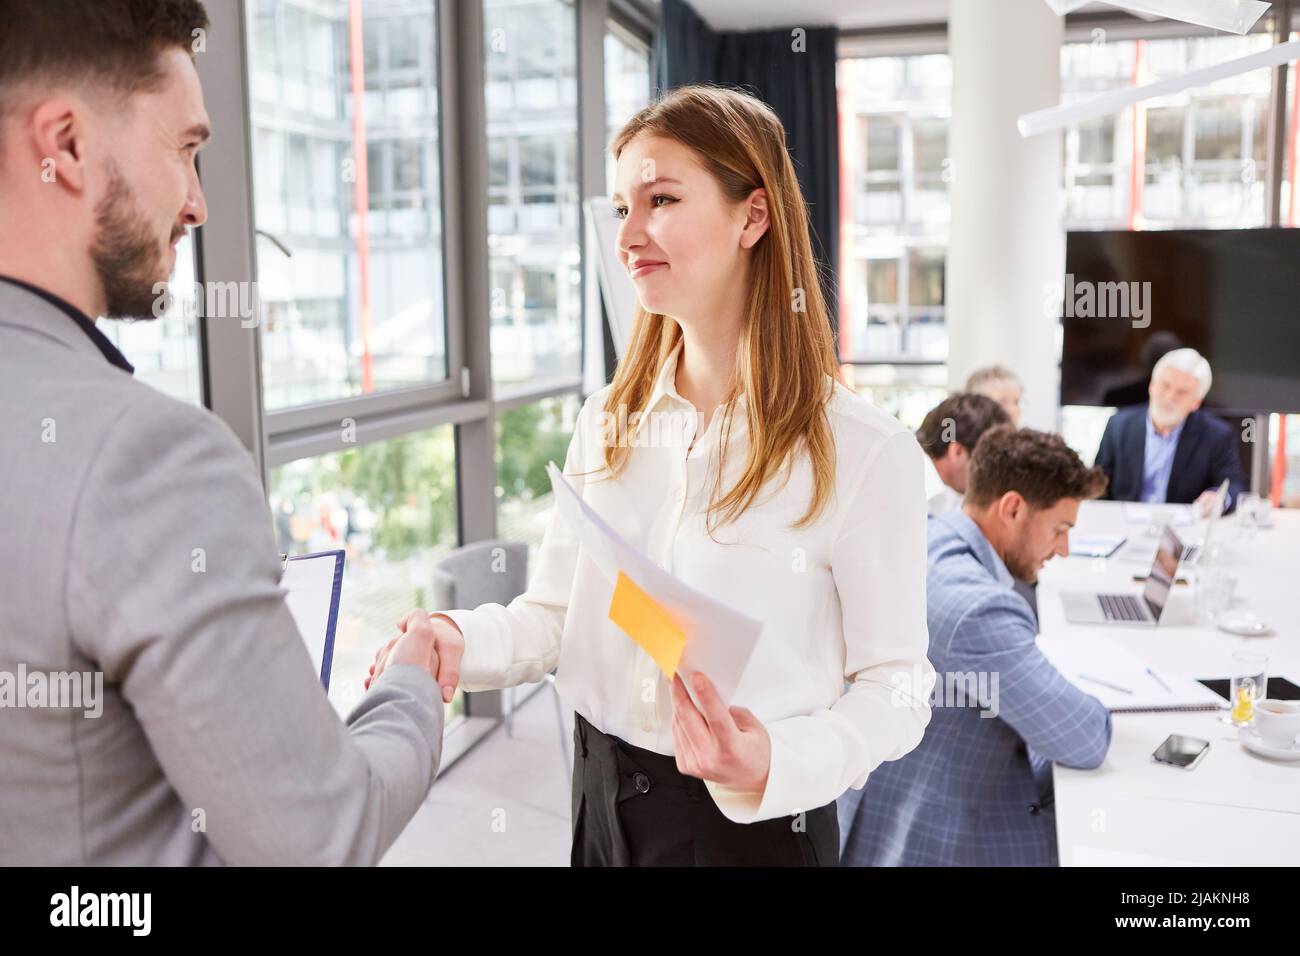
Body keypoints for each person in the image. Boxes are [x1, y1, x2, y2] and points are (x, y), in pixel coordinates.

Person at [372, 85, 935, 866]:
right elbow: (557, 614)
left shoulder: (864, 453)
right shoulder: (608, 418)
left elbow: (899, 685)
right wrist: (456, 637)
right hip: (598, 798)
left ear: (754, 216)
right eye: (620, 210)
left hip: (752, 830)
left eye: (660, 199)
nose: (629, 235)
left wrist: (779, 759)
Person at [0, 0, 448, 865]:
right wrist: (412, 688)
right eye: (187, 149)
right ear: (64, 145)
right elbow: (322, 839)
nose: (198, 204)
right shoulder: (145, 457)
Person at [838, 427, 1112, 866]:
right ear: (1013, 508)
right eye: (1060, 529)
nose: (1064, 549)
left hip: (877, 806)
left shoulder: (931, 534)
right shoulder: (977, 610)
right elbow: (1084, 738)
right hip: (935, 835)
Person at [1094, 347, 1246, 512]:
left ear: (1196, 402)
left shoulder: (1218, 434)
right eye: (1165, 386)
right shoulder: (1118, 425)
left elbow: (1234, 485)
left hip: (1183, 529)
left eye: (1182, 392)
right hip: (1125, 522)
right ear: (1151, 386)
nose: (1169, 397)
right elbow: (1097, 484)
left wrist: (1218, 498)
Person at [916, 393, 1011, 516]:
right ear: (957, 452)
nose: (994, 477)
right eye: (989, 464)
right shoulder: (906, 488)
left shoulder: (950, 489)